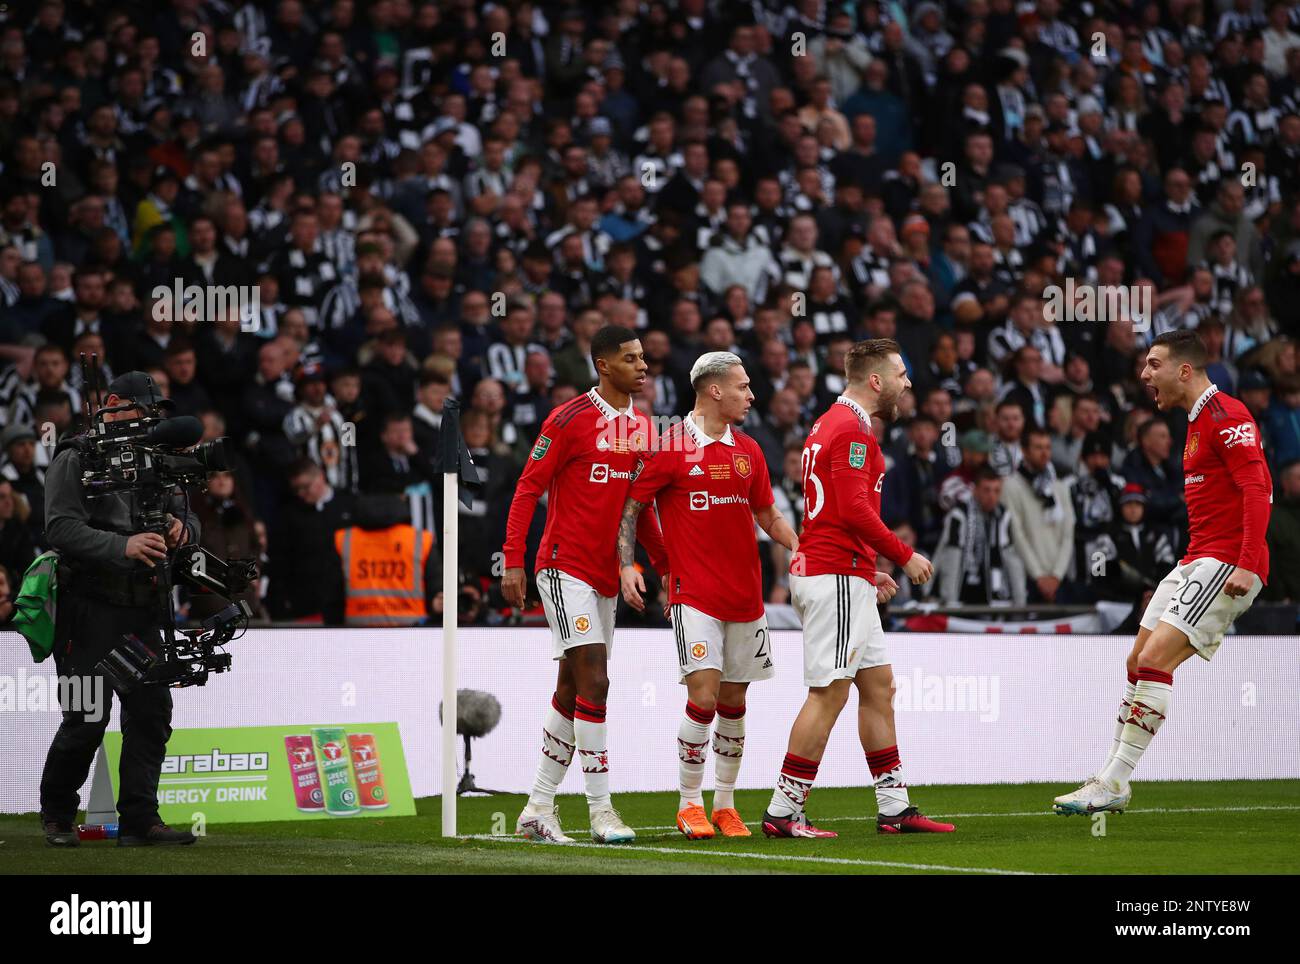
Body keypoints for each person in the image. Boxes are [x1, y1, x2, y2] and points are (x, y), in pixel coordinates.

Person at [1054, 330, 1272, 815]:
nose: (1145, 374)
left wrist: (1245, 558)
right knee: (1136, 663)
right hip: (1196, 559)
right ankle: (1110, 780)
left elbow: (1258, 489)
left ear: (1185, 370)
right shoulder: (1195, 423)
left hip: (1228, 559)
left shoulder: (1226, 415)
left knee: (1154, 661)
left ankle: (1112, 782)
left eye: (1154, 364)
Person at [759, 339, 950, 838]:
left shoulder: (829, 423)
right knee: (828, 694)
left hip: (844, 570)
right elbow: (852, 509)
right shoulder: (853, 429)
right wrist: (903, 555)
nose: (908, 384)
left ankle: (894, 807)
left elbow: (834, 511)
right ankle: (784, 810)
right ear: (875, 380)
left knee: (878, 687)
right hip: (834, 574)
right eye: (902, 374)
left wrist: (868, 568)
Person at [620, 351, 799, 840]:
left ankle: (725, 804)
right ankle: (687, 803)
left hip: (746, 595)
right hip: (693, 594)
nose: (751, 394)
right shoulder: (671, 446)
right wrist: (626, 566)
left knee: (734, 701)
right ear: (715, 390)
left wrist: (797, 544)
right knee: (702, 698)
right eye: (743, 386)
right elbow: (632, 508)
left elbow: (767, 515)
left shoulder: (749, 450)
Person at [502, 325, 669, 845]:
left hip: (604, 575)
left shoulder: (643, 428)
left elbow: (638, 512)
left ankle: (536, 809)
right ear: (603, 366)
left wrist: (666, 566)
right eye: (631, 359)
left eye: (643, 358)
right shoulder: (568, 418)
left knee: (572, 687)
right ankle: (601, 812)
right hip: (561, 564)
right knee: (595, 680)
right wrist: (513, 560)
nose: (643, 366)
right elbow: (528, 486)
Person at [38, 372, 200, 847]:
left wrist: (179, 528)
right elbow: (60, 528)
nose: (151, 419)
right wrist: (122, 545)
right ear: (111, 402)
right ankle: (58, 814)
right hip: (89, 608)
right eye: (141, 409)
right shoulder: (75, 456)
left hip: (144, 608)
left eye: (155, 412)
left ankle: (140, 820)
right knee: (86, 718)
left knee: (150, 714)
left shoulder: (159, 457)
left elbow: (188, 513)